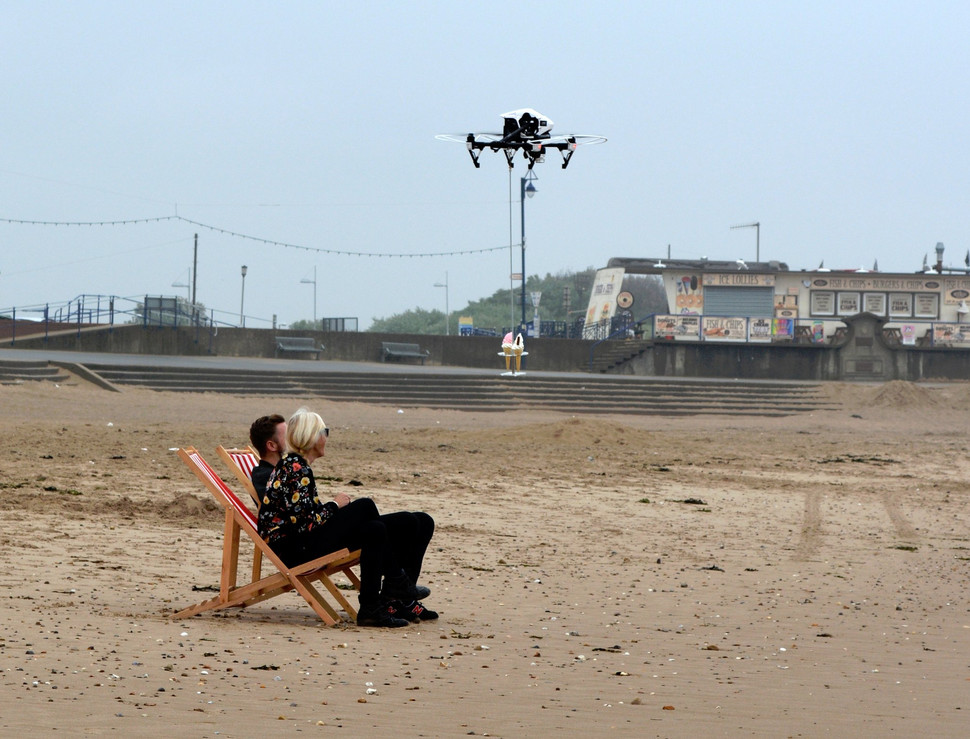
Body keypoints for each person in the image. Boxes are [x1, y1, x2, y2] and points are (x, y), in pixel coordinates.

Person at [257, 407, 436, 627]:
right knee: (365, 507)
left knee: (413, 522)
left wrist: (335, 511)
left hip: (303, 542)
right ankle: (396, 584)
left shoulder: (295, 466)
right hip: (295, 550)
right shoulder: (294, 469)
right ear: (312, 437)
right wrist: (334, 505)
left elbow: (303, 517)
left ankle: (376, 606)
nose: (326, 437)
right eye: (324, 432)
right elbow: (305, 525)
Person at [249, 414, 286, 497]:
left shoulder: (280, 470)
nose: (292, 439)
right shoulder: (265, 477)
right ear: (272, 446)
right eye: (286, 436)